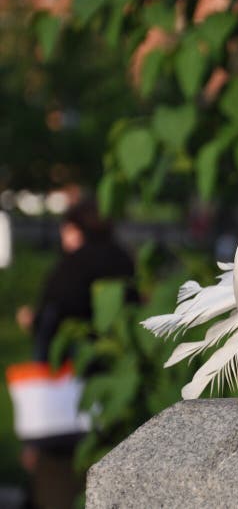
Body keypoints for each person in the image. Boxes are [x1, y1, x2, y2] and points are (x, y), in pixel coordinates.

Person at [13, 198, 136, 509]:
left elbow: (54, 323)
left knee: (58, 478)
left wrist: (34, 320)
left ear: (75, 229)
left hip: (69, 387)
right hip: (116, 381)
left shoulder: (72, 265)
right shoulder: (123, 259)